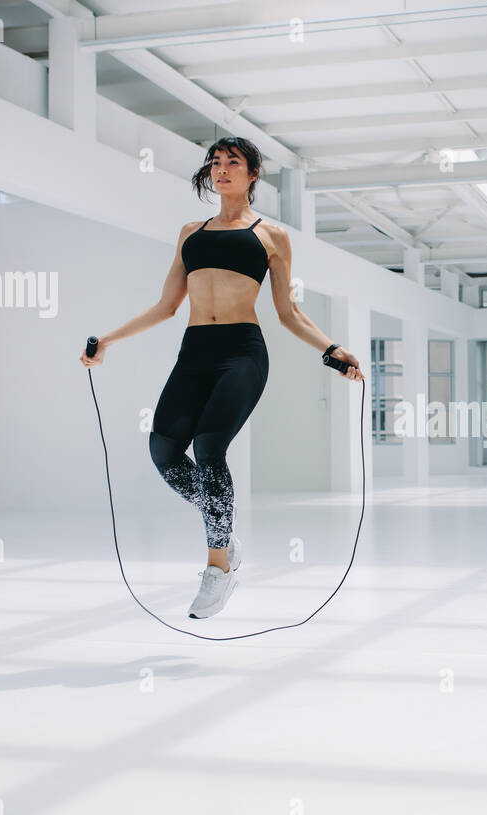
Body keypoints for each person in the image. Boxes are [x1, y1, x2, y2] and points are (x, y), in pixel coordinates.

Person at [80, 136, 364, 619]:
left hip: (242, 353)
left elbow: (288, 312)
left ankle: (218, 568)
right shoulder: (190, 231)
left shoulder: (271, 235)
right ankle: (223, 527)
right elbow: (167, 306)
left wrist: (332, 350)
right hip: (195, 351)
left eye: (233, 163)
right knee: (163, 451)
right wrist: (108, 340)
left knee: (210, 449)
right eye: (215, 163)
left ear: (254, 174)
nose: (221, 169)